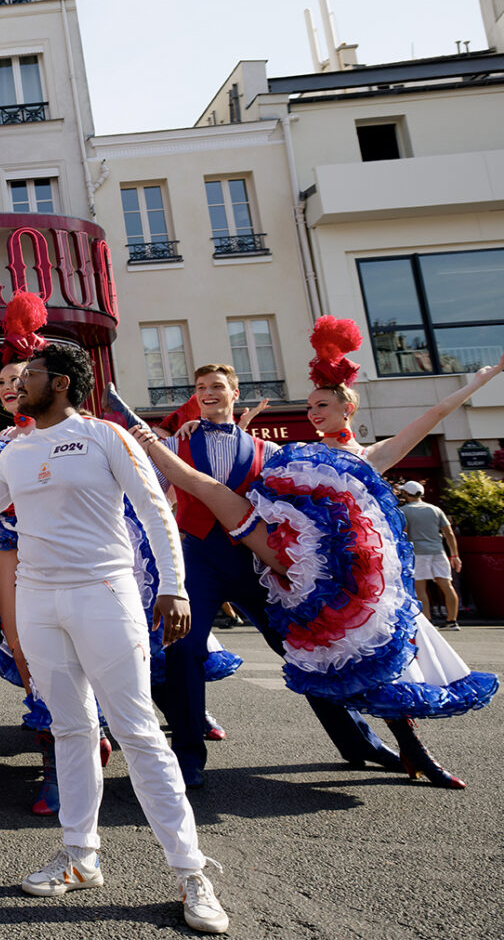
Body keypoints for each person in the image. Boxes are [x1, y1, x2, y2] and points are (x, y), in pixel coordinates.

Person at [0, 343, 229, 935]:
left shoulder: (105, 437)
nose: (19, 384)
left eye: (32, 375)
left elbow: (155, 512)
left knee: (138, 733)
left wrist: (173, 588)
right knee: (70, 729)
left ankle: (190, 872)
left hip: (105, 593)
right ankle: (80, 856)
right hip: (37, 600)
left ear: (64, 383)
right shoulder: (18, 449)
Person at [125, 321, 500, 790]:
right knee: (184, 652)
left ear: (234, 391)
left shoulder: (269, 450)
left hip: (257, 563)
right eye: (201, 387)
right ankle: (188, 754)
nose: (208, 392)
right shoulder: (177, 440)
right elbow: (154, 492)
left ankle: (358, 740)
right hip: (197, 557)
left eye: (217, 386)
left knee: (315, 650)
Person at [398, 481, 463, 630]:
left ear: (407, 494)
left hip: (418, 553)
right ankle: (452, 621)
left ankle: (427, 621)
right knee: (447, 585)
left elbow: (405, 534)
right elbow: (449, 534)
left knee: (420, 587)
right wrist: (454, 555)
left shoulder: (404, 511)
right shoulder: (435, 509)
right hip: (438, 551)